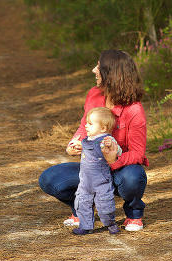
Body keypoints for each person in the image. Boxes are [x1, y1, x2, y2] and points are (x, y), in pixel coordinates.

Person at [39, 49, 148, 232]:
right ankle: (82, 210)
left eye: (98, 66)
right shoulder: (94, 94)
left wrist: (114, 160)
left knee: (133, 177)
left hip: (119, 170)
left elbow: (138, 153)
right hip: (92, 168)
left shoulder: (134, 110)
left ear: (111, 74)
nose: (93, 70)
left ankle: (134, 214)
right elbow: (85, 125)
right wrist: (75, 142)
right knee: (49, 179)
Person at [72, 107, 122, 236]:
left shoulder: (106, 140)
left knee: (105, 203)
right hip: (85, 181)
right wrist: (78, 146)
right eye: (86, 123)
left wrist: (112, 147)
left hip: (101, 181)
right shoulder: (87, 140)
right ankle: (85, 225)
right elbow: (86, 149)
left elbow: (118, 151)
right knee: (82, 202)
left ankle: (110, 223)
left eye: (90, 123)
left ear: (103, 128)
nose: (86, 126)